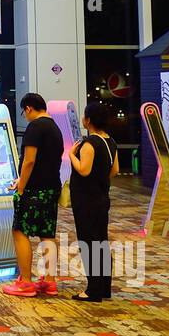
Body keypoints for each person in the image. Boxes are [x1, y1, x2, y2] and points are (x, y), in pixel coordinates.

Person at [3, 93, 64, 299]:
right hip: (51, 188)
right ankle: (49, 281)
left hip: (33, 190)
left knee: (20, 231)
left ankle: (26, 282)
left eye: (24, 111)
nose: (24, 115)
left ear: (28, 108)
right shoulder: (55, 128)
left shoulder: (35, 127)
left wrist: (21, 187)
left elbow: (29, 161)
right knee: (47, 234)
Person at [67, 101, 119, 302]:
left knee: (89, 242)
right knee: (101, 242)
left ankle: (93, 290)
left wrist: (72, 155)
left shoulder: (90, 143)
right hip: (101, 198)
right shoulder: (110, 141)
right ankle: (104, 287)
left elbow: (83, 169)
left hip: (86, 200)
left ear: (88, 120)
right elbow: (114, 170)